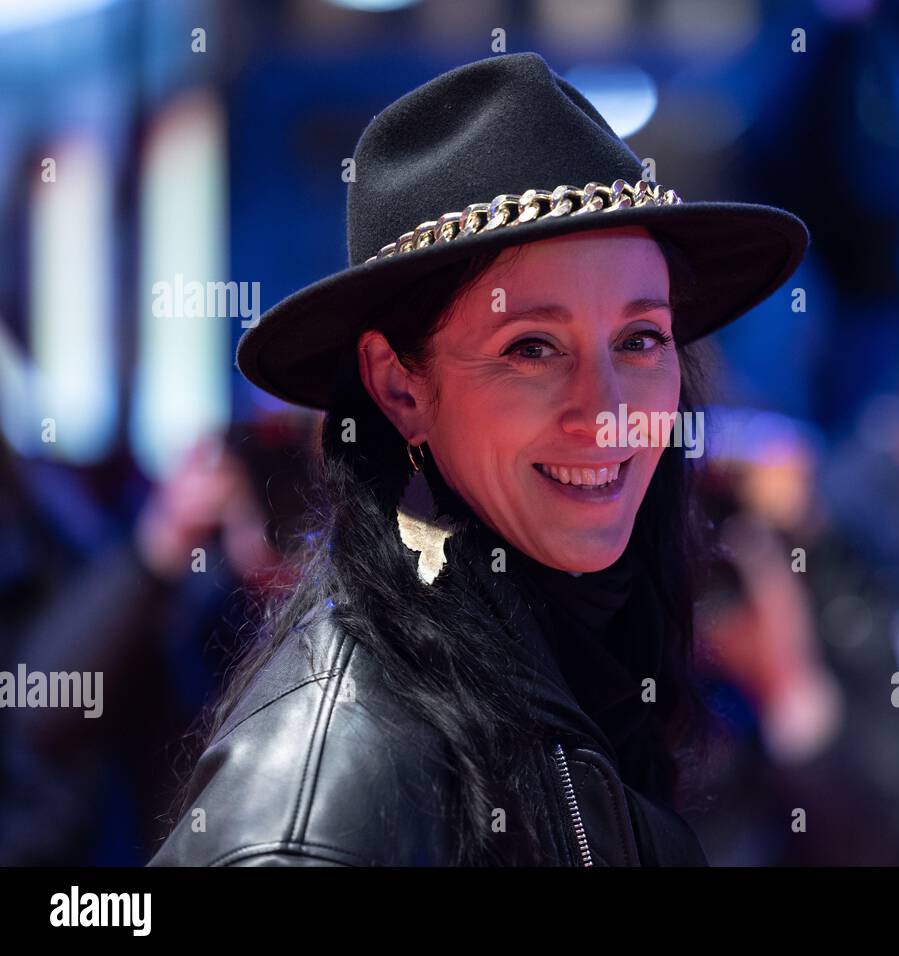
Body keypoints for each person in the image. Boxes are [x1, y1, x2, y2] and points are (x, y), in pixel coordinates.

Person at [149, 52, 808, 867]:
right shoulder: (325, 796)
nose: (606, 412)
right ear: (399, 389)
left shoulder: (588, 656)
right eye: (531, 347)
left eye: (640, 339)